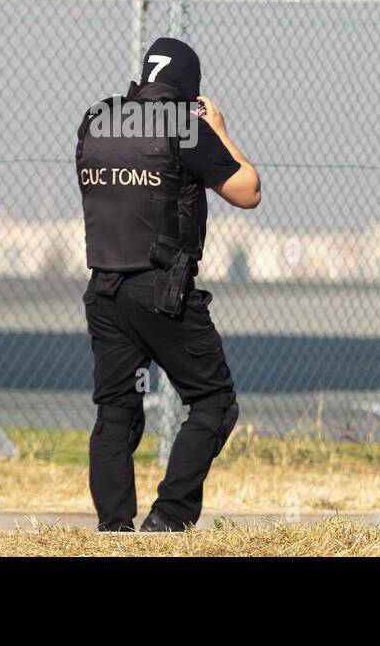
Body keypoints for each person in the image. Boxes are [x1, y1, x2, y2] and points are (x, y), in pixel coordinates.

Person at [76, 37, 261, 532]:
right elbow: (248, 190)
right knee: (214, 402)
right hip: (162, 291)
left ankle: (114, 531)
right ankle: (169, 517)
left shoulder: (97, 120)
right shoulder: (183, 126)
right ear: (188, 89)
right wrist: (219, 132)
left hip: (104, 289)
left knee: (116, 411)